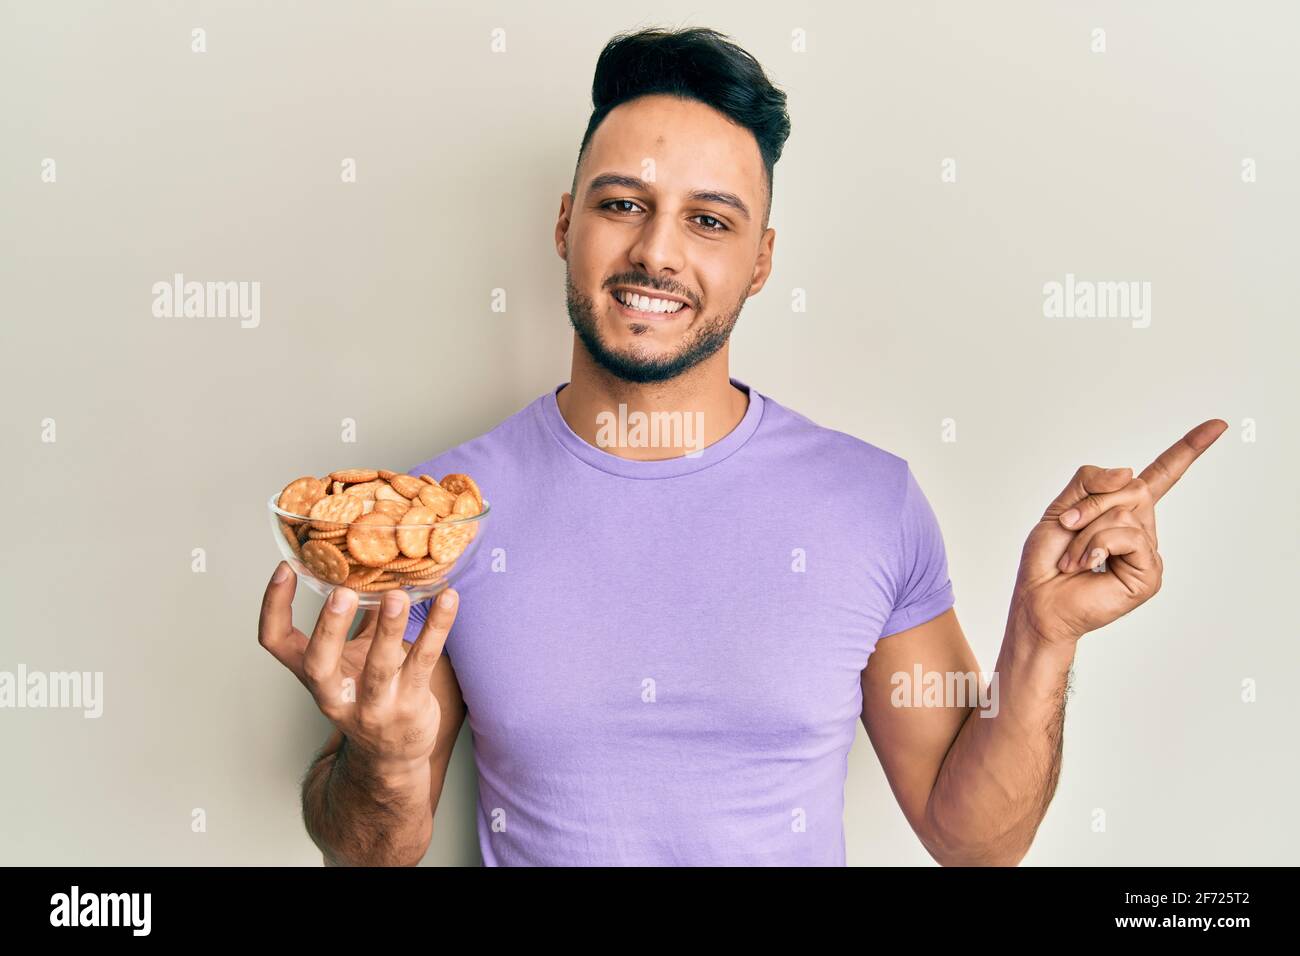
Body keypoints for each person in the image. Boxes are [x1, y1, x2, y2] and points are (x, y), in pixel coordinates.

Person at [258, 26, 1225, 866]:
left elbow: (975, 842)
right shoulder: (437, 516)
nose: (657, 253)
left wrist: (1041, 639)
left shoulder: (868, 502)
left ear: (761, 261)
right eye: (620, 204)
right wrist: (379, 761)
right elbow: (369, 856)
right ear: (565, 224)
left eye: (709, 221)